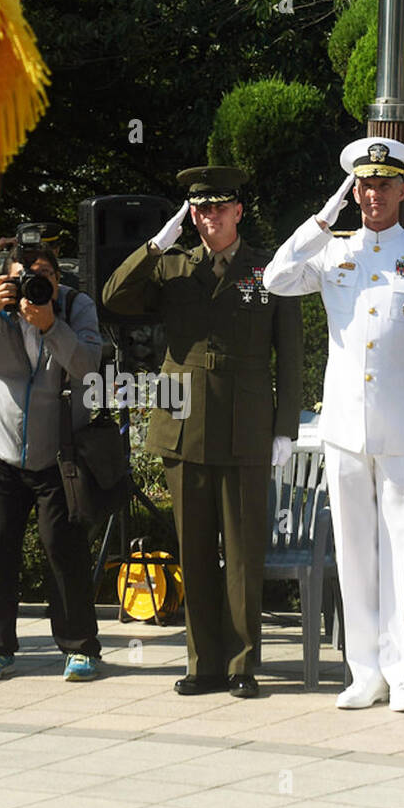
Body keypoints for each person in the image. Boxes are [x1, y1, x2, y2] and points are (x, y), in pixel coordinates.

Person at [266, 137, 404, 712]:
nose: (373, 194)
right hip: (345, 423)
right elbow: (276, 277)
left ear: (403, 190)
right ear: (354, 191)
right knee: (353, 551)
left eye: (384, 185)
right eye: (364, 185)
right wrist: (323, 220)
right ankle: (365, 671)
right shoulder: (331, 250)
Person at [104, 166, 302, 699]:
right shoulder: (171, 266)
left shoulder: (270, 268)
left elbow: (290, 353)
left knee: (242, 555)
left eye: (219, 207)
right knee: (194, 550)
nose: (208, 218)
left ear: (238, 210)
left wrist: (285, 427)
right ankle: (202, 664)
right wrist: (157, 241)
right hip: (184, 423)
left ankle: (241, 664)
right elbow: (114, 295)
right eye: (199, 209)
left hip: (246, 423)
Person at [0, 246, 104, 681]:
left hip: (58, 454)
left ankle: (79, 648)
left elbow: (88, 364)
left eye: (43, 274)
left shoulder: (73, 304)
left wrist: (52, 326)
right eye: (22, 276)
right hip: (0, 451)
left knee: (63, 549)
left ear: (58, 276)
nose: (33, 284)